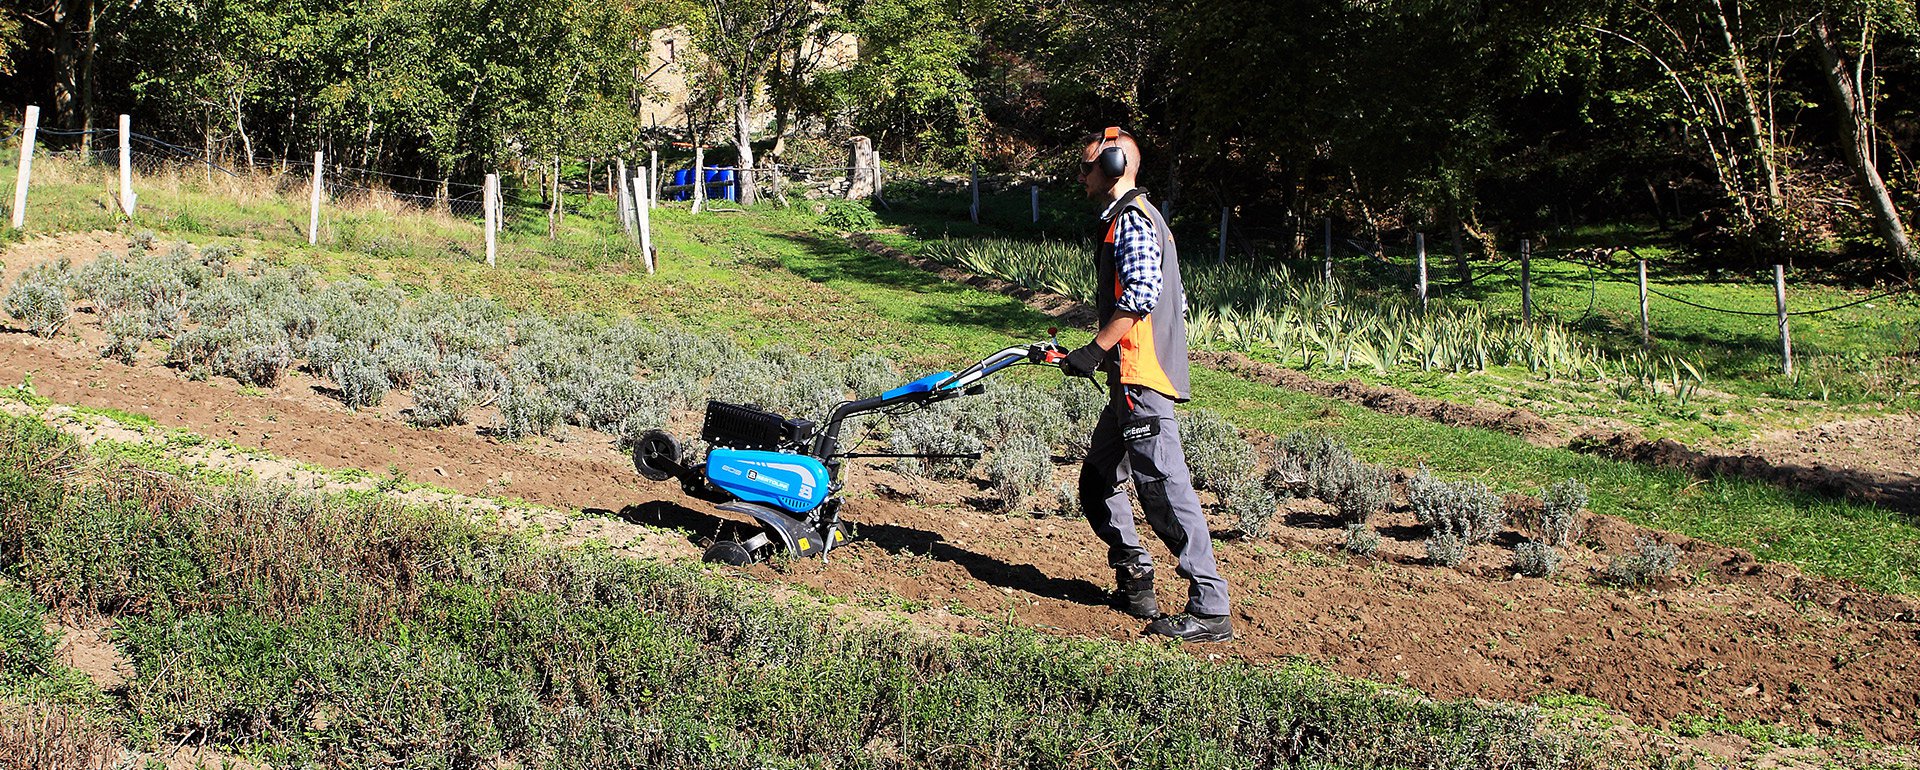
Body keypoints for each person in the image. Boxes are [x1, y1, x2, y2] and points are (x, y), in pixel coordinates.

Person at [1060, 127, 1234, 643]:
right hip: (1126, 380)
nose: (1081, 175)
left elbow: (1140, 296)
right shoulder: (1130, 221)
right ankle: (1136, 575)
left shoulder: (1134, 220)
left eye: (1087, 165)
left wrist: (1096, 349)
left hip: (1141, 379)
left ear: (1114, 165)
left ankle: (1210, 606)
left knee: (1163, 491)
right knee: (1096, 483)